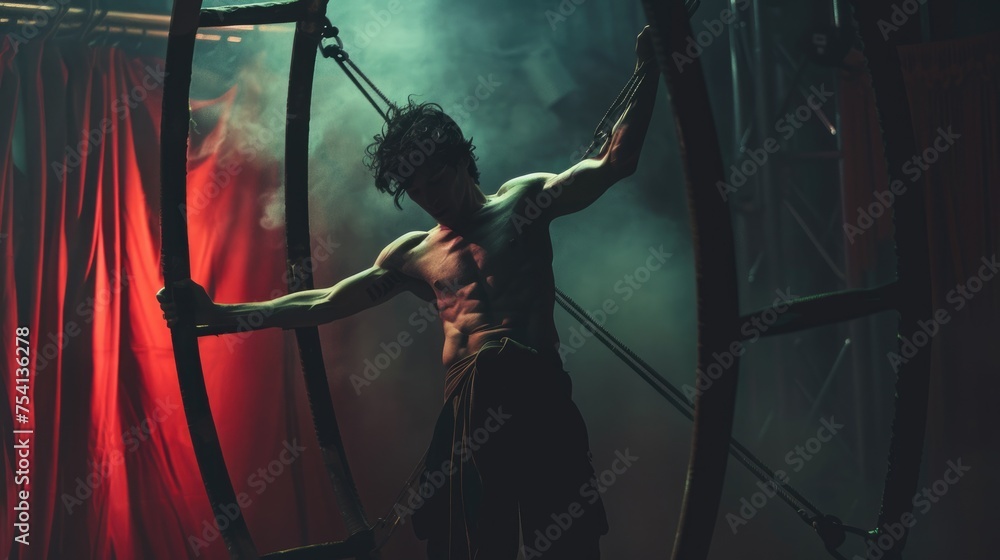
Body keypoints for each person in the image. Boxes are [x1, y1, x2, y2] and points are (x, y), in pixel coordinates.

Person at [158, 26, 659, 560]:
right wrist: (223, 315)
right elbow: (324, 302)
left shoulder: (523, 203)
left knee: (567, 534)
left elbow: (614, 163)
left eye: (435, 180)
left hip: (537, 393)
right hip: (471, 409)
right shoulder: (414, 253)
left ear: (463, 160)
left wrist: (650, 70)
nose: (429, 199)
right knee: (466, 536)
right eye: (415, 191)